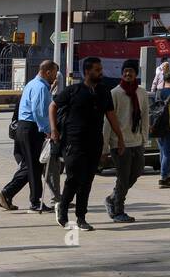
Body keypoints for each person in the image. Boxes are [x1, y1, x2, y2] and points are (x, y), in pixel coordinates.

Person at [50, 57, 122, 231]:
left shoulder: (104, 92)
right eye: (97, 70)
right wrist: (54, 130)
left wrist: (120, 137)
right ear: (87, 71)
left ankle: (81, 217)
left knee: (87, 181)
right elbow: (52, 106)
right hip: (73, 142)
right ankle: (63, 208)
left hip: (94, 142)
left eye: (101, 69)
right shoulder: (73, 90)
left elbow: (111, 116)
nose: (101, 72)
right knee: (74, 178)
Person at [0, 59, 58, 213]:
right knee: (35, 168)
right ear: (48, 71)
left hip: (25, 128)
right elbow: (39, 112)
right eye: (54, 73)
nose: (55, 77)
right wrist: (48, 130)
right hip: (32, 128)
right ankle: (35, 202)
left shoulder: (32, 84)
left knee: (29, 166)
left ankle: (6, 193)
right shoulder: (40, 88)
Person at [105, 62, 148, 223]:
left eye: (131, 71)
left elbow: (145, 116)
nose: (128, 74)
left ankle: (112, 198)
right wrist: (105, 146)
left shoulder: (141, 92)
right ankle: (118, 211)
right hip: (119, 143)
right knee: (123, 178)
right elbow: (108, 121)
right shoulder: (115, 93)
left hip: (136, 141)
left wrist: (144, 137)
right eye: (125, 71)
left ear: (136, 74)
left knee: (137, 172)